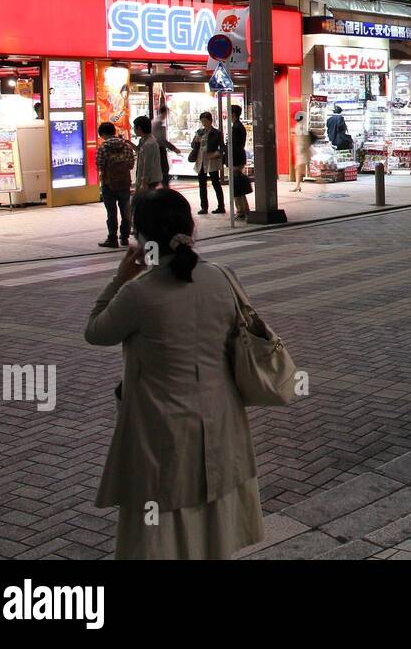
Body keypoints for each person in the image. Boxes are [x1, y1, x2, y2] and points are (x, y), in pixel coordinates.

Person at [85, 188, 264, 559]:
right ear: (191, 227)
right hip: (220, 420)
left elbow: (96, 331)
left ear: (141, 239)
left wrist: (120, 278)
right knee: (211, 516)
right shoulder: (222, 278)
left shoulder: (138, 293)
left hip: (161, 428)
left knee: (160, 526)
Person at [96, 121, 135, 248]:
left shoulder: (103, 147)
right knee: (125, 211)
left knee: (111, 213)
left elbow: (99, 165)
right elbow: (130, 165)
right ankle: (124, 237)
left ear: (102, 134)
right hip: (124, 183)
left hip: (108, 184)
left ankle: (112, 238)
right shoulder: (126, 146)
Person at [189, 111, 225, 215]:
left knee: (216, 183)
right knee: (202, 185)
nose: (204, 123)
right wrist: (195, 141)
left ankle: (221, 206)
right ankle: (204, 207)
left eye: (205, 121)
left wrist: (217, 153)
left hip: (211, 160)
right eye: (202, 121)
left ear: (210, 121)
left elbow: (222, 147)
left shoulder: (217, 133)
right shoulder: (199, 132)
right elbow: (192, 145)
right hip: (200, 160)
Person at [228, 104, 250, 222]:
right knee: (239, 186)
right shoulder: (238, 126)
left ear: (233, 114)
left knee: (236, 186)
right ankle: (244, 209)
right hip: (239, 157)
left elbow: (234, 146)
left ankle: (241, 210)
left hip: (236, 159)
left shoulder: (236, 127)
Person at [132, 115, 163, 193]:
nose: (134, 130)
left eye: (134, 128)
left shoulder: (149, 144)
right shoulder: (144, 140)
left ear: (139, 128)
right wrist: (128, 143)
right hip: (148, 179)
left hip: (150, 180)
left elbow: (147, 164)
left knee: (146, 202)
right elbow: (139, 151)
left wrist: (143, 182)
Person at [151, 104, 179, 187]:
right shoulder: (159, 122)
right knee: (164, 169)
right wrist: (174, 148)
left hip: (156, 148)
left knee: (161, 169)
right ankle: (166, 188)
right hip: (160, 148)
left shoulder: (154, 121)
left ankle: (163, 186)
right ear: (165, 113)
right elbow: (161, 139)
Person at [292, 110, 311, 193]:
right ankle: (297, 185)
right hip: (302, 151)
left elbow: (302, 140)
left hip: (301, 151)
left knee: (300, 169)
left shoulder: (300, 127)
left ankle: (322, 183)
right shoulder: (302, 127)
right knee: (299, 169)